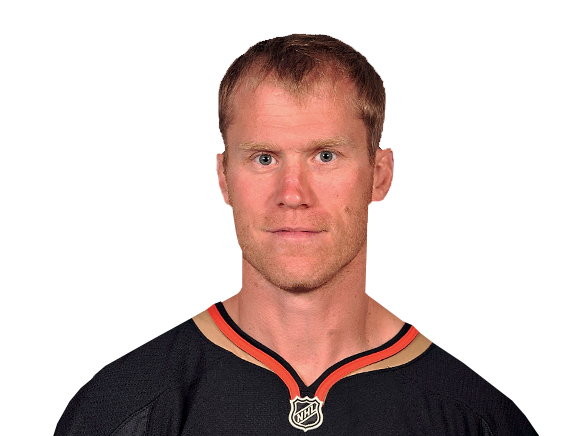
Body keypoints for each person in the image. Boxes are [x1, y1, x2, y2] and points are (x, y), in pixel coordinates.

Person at [55, 33, 539, 435]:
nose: (292, 193)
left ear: (381, 174)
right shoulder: (119, 412)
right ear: (223, 177)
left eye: (325, 156)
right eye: (264, 158)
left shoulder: (479, 421)